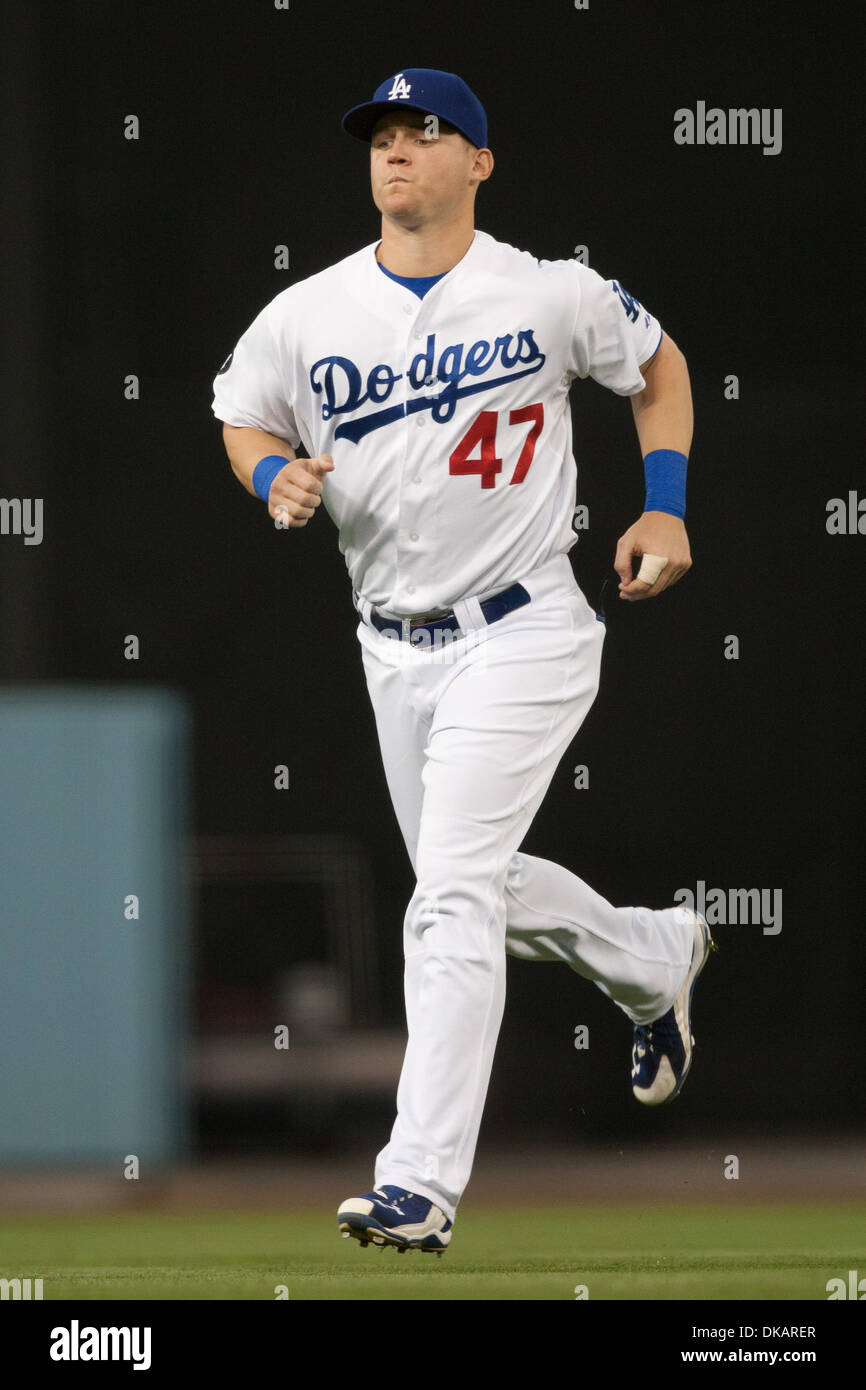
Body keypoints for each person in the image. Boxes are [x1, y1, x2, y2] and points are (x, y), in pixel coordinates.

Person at [213, 68, 715, 1257]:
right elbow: (241, 411)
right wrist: (263, 472)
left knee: (444, 897)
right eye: (382, 136)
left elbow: (659, 369)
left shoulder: (543, 293)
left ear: (477, 162)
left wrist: (665, 506)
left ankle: (416, 1181)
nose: (396, 151)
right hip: (392, 646)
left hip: (524, 626)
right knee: (469, 885)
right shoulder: (309, 312)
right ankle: (652, 955)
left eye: (424, 132)